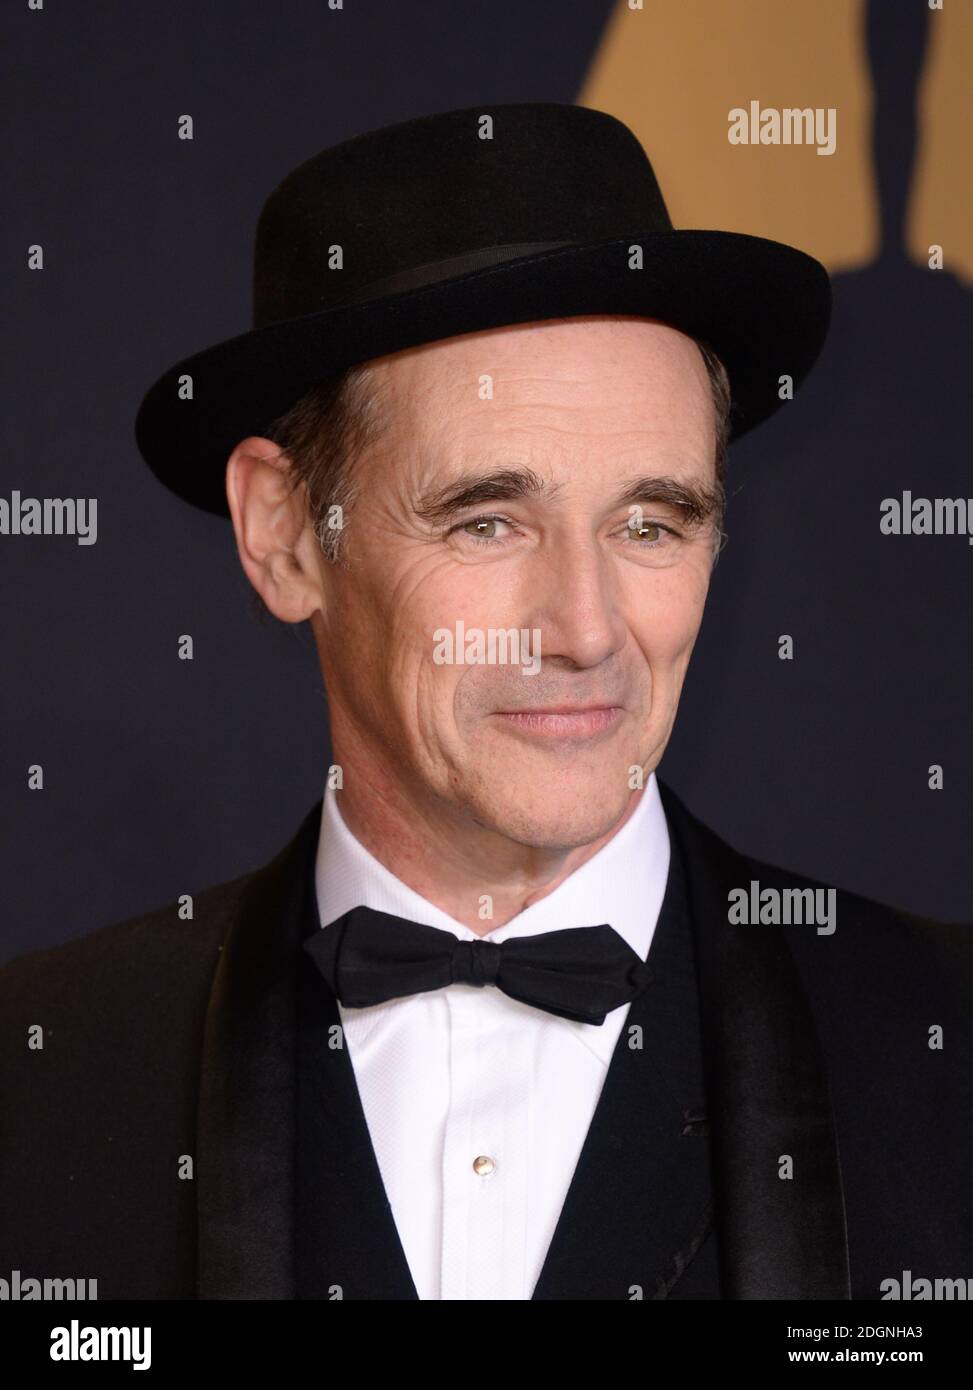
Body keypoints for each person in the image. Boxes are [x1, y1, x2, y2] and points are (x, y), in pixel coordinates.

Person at [2, 102, 970, 1301]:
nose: (584, 629)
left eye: (650, 523)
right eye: (487, 520)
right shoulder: (37, 1080)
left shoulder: (943, 1053)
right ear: (286, 533)